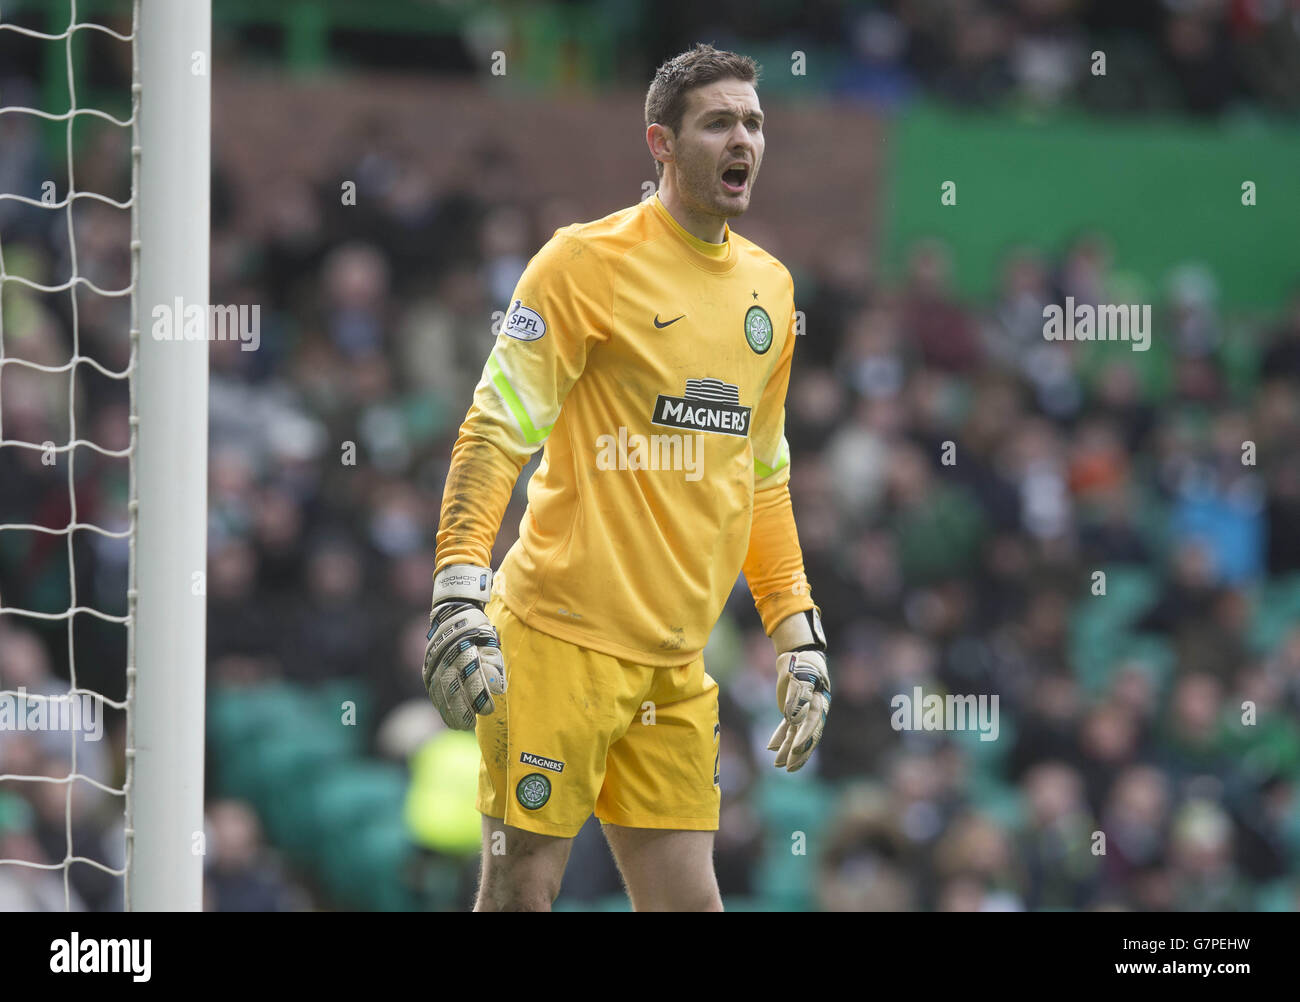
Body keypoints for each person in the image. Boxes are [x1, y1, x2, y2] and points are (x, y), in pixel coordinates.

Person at [422, 43, 830, 912]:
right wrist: (458, 587)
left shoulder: (771, 291)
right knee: (522, 889)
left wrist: (798, 635)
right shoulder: (582, 264)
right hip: (557, 638)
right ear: (662, 142)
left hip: (676, 664)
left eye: (754, 123)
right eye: (718, 122)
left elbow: (763, 478)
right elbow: (495, 430)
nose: (743, 141)